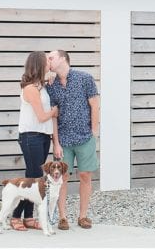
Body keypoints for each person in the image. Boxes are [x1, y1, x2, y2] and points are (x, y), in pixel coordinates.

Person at [46, 48, 99, 230]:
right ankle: (62, 217)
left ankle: (83, 216)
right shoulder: (50, 85)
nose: (48, 61)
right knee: (61, 178)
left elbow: (95, 105)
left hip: (85, 137)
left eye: (51, 58)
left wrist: (93, 130)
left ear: (62, 59)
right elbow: (53, 115)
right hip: (63, 140)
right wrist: (56, 142)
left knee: (85, 176)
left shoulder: (85, 78)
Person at [10, 50, 59, 231]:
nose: (49, 63)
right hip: (31, 137)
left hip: (42, 137)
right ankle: (16, 217)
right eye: (47, 60)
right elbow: (41, 116)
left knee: (33, 178)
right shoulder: (30, 89)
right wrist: (54, 112)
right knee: (34, 179)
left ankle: (28, 217)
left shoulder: (42, 86)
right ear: (39, 64)